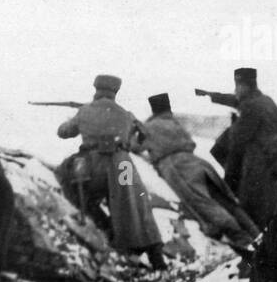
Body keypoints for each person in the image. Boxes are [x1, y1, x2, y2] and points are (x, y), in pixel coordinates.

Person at [58, 74, 166, 269]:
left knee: (76, 190)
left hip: (93, 165)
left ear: (96, 89)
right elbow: (143, 139)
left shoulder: (84, 111)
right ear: (115, 92)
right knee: (135, 203)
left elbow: (64, 132)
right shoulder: (126, 114)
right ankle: (156, 256)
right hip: (122, 163)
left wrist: (76, 119)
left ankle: (107, 230)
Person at [133, 93, 259, 254]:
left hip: (178, 167)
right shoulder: (174, 121)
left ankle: (244, 242)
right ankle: (257, 235)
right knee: (227, 201)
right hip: (198, 162)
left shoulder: (148, 127)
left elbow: (133, 147)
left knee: (207, 206)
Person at [196, 67, 277, 229]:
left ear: (245, 86)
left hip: (260, 163)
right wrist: (212, 96)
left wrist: (228, 182)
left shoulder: (251, 107)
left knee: (252, 205)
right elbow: (235, 100)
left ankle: (253, 238)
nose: (235, 90)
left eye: (237, 86)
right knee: (269, 204)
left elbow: (237, 143)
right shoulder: (264, 100)